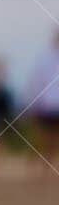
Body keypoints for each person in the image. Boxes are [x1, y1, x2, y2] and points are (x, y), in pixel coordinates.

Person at [27, 28, 59, 172]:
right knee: (42, 138)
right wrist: (34, 102)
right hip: (46, 106)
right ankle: (35, 166)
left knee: (54, 139)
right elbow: (37, 82)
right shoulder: (45, 59)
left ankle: (48, 167)